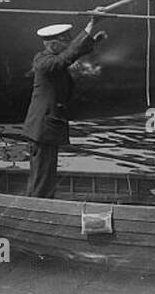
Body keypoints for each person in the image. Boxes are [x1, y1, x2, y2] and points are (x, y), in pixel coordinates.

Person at [22, 20, 106, 198]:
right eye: (64, 42)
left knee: (46, 174)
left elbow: (69, 55)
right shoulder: (43, 61)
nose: (67, 45)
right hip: (42, 129)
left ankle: (42, 204)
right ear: (53, 45)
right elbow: (66, 57)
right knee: (42, 176)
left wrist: (92, 40)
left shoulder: (52, 60)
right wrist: (90, 25)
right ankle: (37, 208)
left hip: (47, 128)